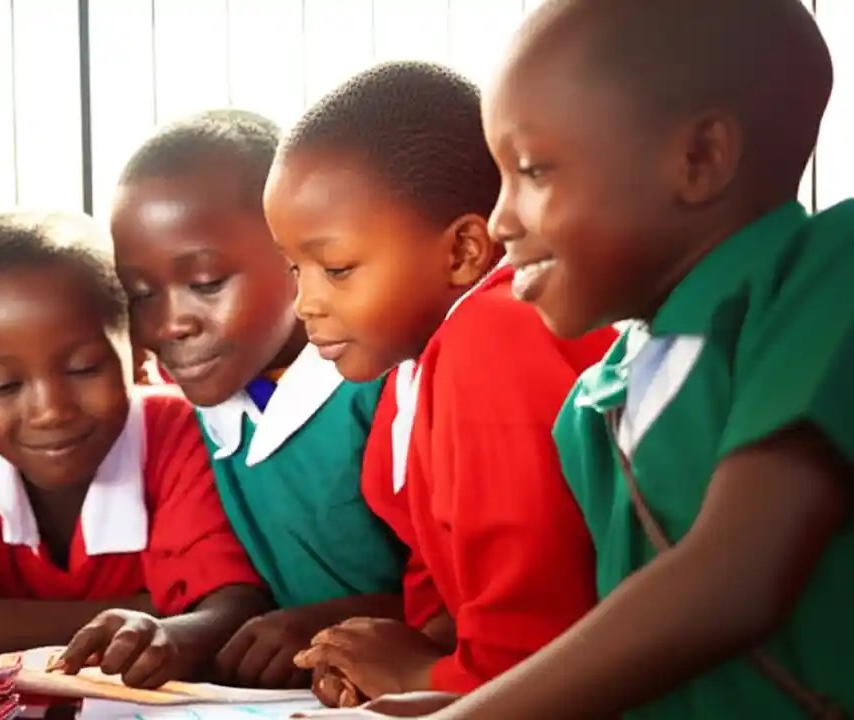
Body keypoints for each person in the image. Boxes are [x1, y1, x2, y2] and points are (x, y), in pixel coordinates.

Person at [359, 0, 854, 717]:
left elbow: (735, 579)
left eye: (532, 171)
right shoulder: (597, 398)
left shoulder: (838, 268)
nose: (501, 221)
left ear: (699, 158)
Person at [264, 61, 616, 705]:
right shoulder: (413, 369)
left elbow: (536, 625)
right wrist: (395, 659)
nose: (304, 303)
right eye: (295, 268)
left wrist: (426, 678)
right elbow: (449, 578)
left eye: (336, 268)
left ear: (462, 252)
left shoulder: (498, 334)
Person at [0, 212, 268, 689]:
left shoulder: (176, 432)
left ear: (140, 356)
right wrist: (149, 613)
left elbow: (236, 603)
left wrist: (176, 631)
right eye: (5, 385)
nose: (50, 411)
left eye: (84, 369)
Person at [111, 109, 408, 688]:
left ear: (295, 256)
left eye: (206, 284)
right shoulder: (199, 411)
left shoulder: (387, 388)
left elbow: (476, 598)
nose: (170, 323)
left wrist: (329, 625)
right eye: (140, 293)